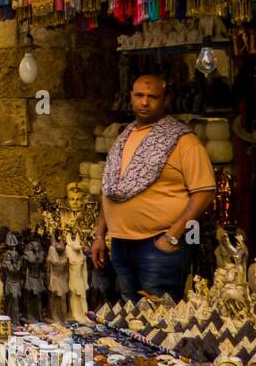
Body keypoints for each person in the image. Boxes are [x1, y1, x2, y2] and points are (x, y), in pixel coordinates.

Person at [91, 74, 216, 301]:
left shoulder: (184, 141)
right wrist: (100, 235)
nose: (144, 102)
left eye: (152, 97)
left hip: (158, 245)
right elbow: (110, 189)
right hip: (121, 245)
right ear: (131, 97)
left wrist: (173, 235)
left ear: (166, 100)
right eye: (139, 95)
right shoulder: (123, 137)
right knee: (129, 319)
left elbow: (205, 192)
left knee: (159, 322)